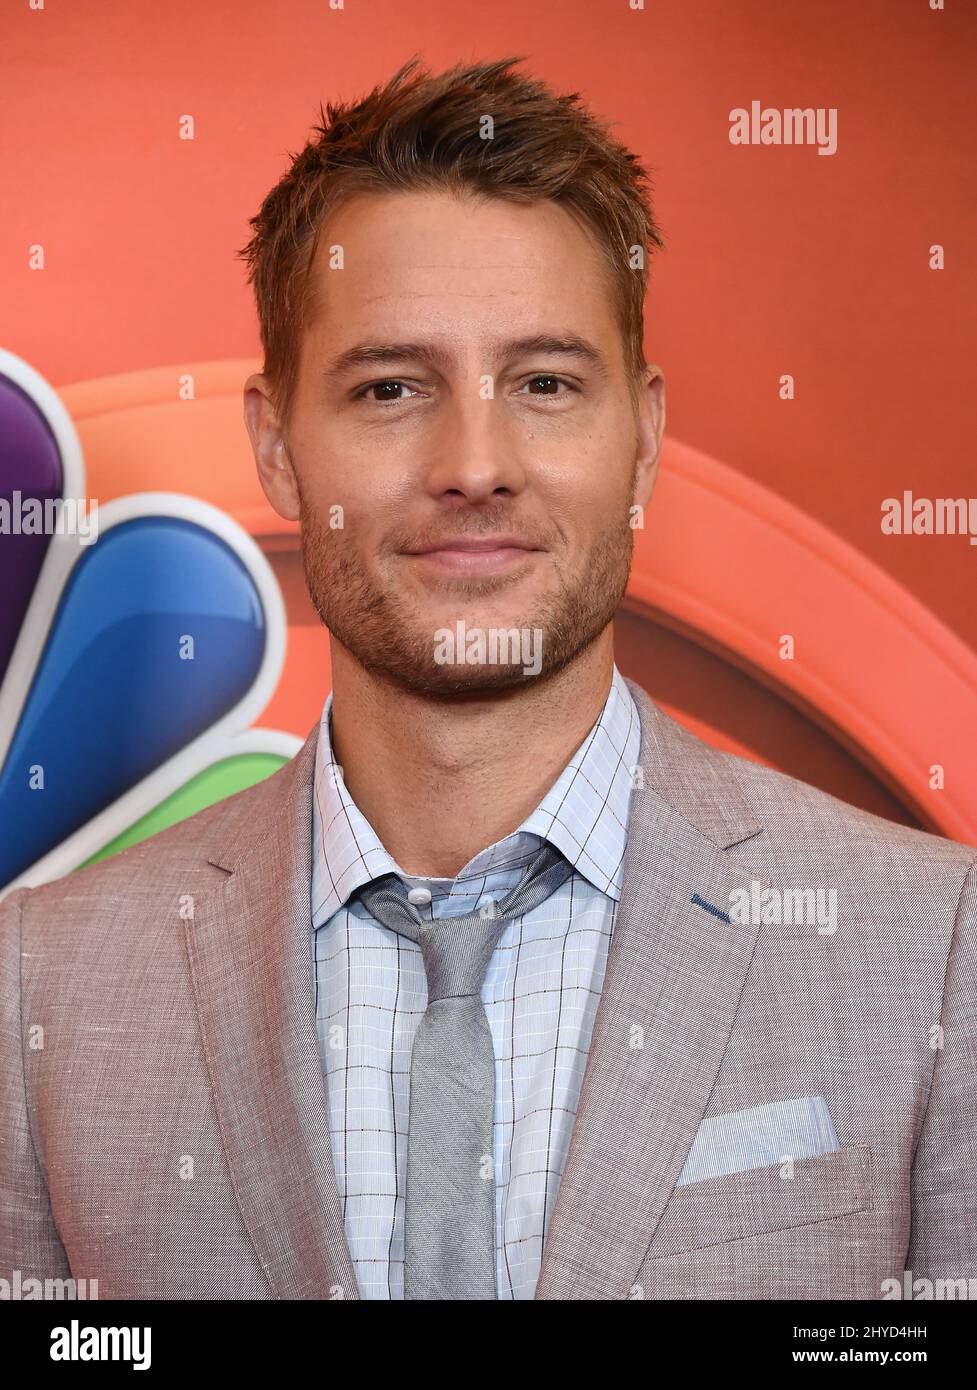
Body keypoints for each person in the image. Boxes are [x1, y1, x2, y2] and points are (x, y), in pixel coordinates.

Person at [2, 55, 975, 1302]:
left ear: (644, 439)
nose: (474, 462)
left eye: (546, 384)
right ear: (277, 449)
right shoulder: (42, 987)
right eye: (391, 387)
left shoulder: (934, 943)